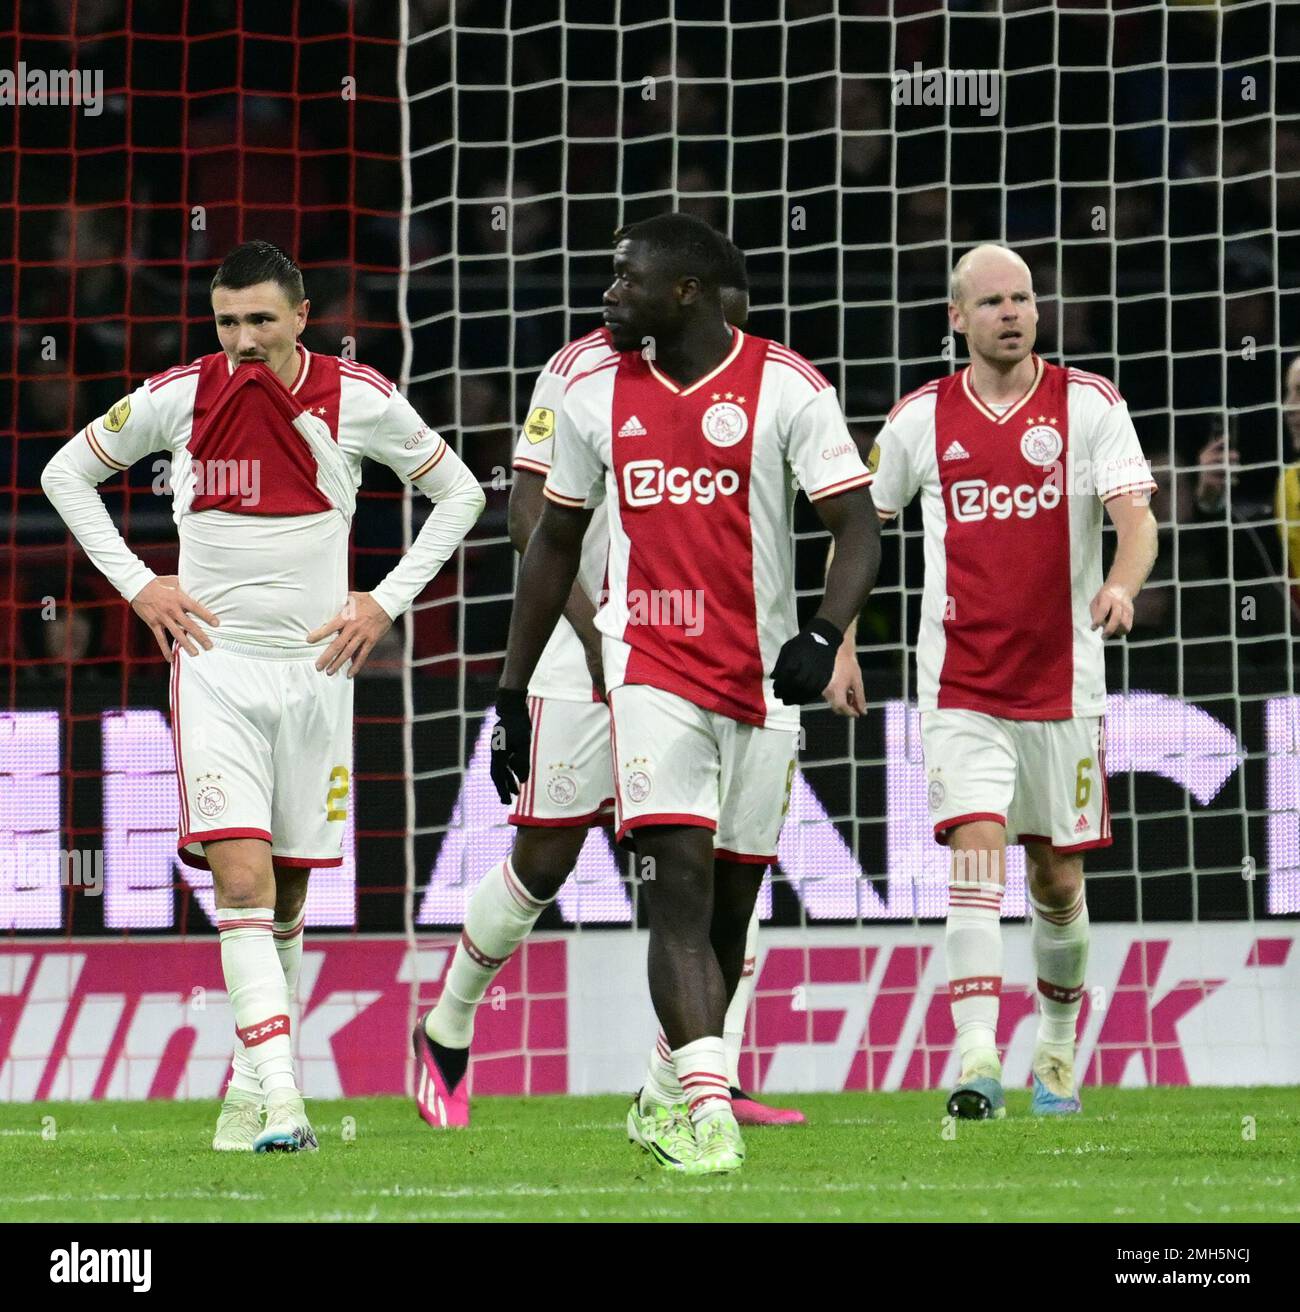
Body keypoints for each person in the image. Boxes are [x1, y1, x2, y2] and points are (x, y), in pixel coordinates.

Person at [41, 240, 485, 1152]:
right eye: (227, 321)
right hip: (216, 668)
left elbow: (462, 494)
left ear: (301, 317)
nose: (242, 338)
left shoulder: (357, 398)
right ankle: (287, 1100)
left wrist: (384, 602)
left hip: (317, 676)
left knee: (286, 897)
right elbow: (64, 475)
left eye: (260, 321)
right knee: (238, 881)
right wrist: (140, 584)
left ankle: (246, 1095)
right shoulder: (179, 395)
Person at [414, 237, 850, 1130]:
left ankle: (690, 1081)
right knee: (546, 857)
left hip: (714, 649)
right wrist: (593, 634)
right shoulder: (580, 372)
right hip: (590, 638)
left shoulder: (766, 384)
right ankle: (448, 1025)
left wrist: (828, 638)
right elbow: (532, 516)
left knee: (725, 872)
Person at [869, 243, 1158, 1120]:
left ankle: (1058, 1056)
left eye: (1023, 299)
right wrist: (839, 640)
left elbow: (1136, 520)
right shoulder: (919, 418)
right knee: (976, 856)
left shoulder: (1089, 404)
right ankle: (976, 1060)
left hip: (1064, 686)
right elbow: (862, 533)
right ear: (956, 318)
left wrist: (1120, 583)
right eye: (991, 301)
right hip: (960, 685)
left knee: (1057, 879)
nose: (1012, 312)